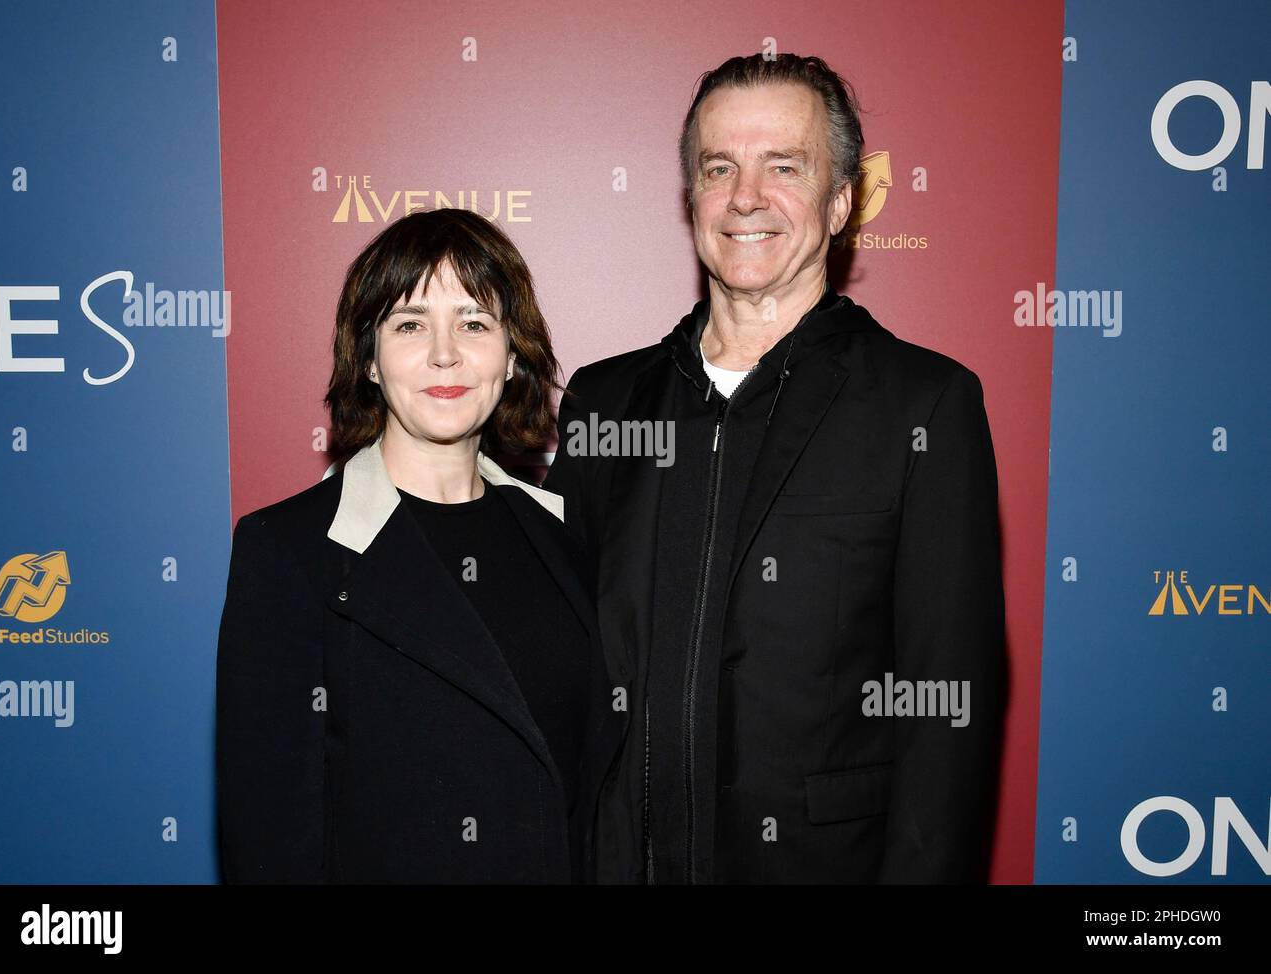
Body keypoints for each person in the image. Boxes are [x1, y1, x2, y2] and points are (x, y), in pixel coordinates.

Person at [545, 53, 1007, 883]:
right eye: (719, 167)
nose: (745, 196)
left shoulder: (922, 406)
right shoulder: (603, 403)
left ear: (840, 203)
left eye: (783, 168)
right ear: (692, 197)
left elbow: (948, 714)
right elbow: (559, 668)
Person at [215, 207, 625, 883]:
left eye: (474, 322)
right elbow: (269, 838)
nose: (445, 354)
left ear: (512, 354)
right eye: (410, 325)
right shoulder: (289, 553)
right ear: (369, 360)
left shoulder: (563, 536)